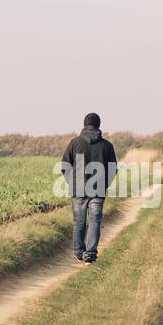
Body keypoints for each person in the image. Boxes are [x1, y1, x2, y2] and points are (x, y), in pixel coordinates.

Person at [60, 112, 117, 264]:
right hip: (97, 190)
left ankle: (79, 252)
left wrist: (71, 182)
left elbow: (65, 165)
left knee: (79, 221)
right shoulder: (107, 146)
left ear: (84, 125)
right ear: (99, 125)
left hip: (78, 189)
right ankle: (90, 254)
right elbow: (113, 169)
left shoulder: (75, 143)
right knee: (95, 221)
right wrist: (104, 184)